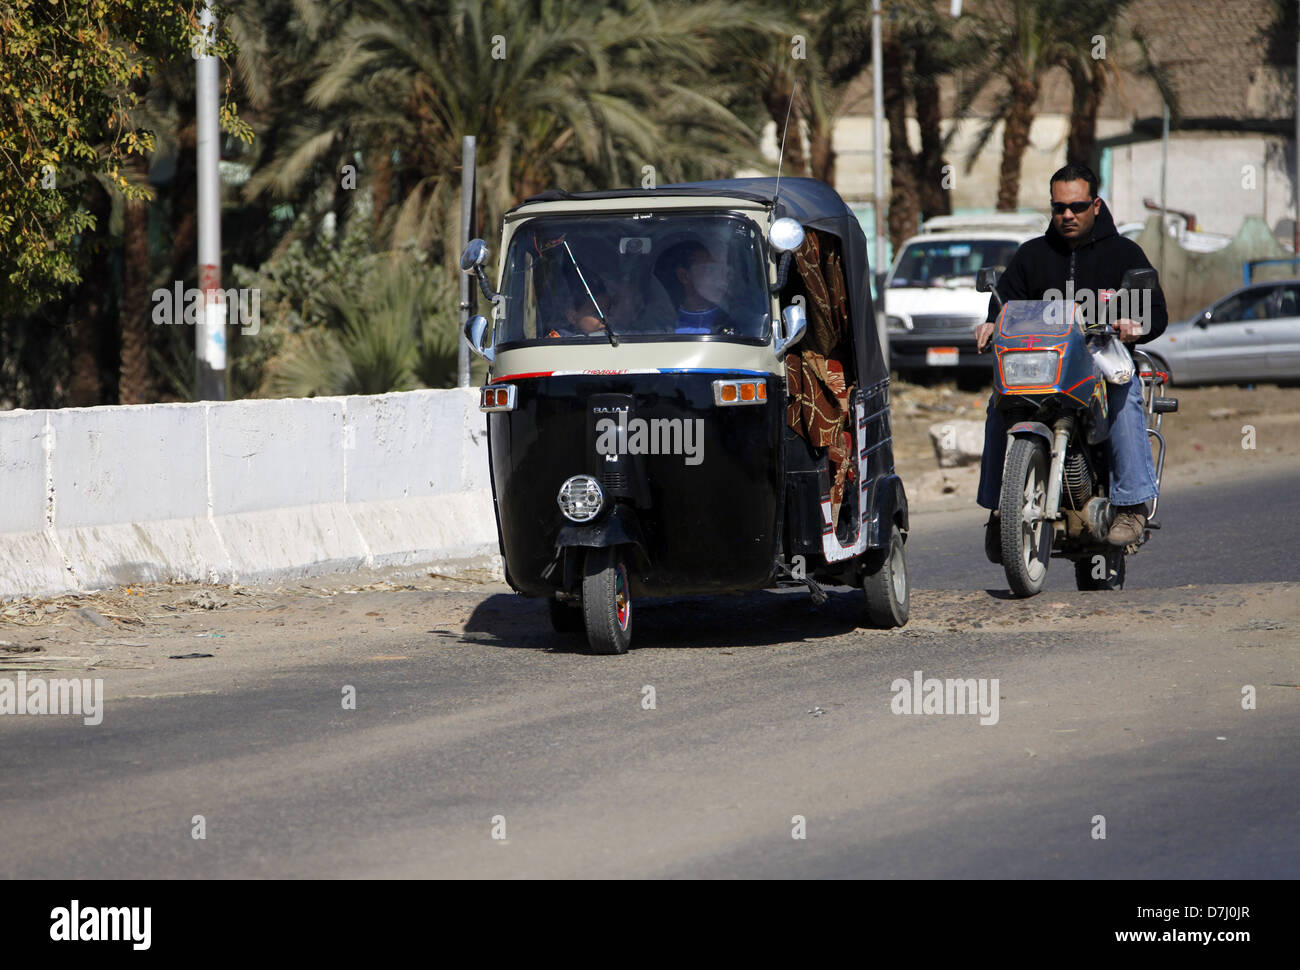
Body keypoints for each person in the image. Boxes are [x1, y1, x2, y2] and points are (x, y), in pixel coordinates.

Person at [972, 163, 1169, 560]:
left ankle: (1131, 506)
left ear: (1096, 204)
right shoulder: (1032, 256)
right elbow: (1006, 304)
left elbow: (1156, 314)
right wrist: (991, 323)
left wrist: (1135, 325)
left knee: (1126, 393)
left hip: (1102, 361)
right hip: (1046, 363)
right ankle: (1001, 508)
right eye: (1059, 207)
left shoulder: (1124, 254)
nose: (1067, 214)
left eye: (1077, 206)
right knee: (998, 405)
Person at [654, 240, 733, 334]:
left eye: (725, 273)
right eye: (710, 271)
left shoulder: (734, 322)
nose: (722, 281)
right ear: (684, 276)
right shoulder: (657, 325)